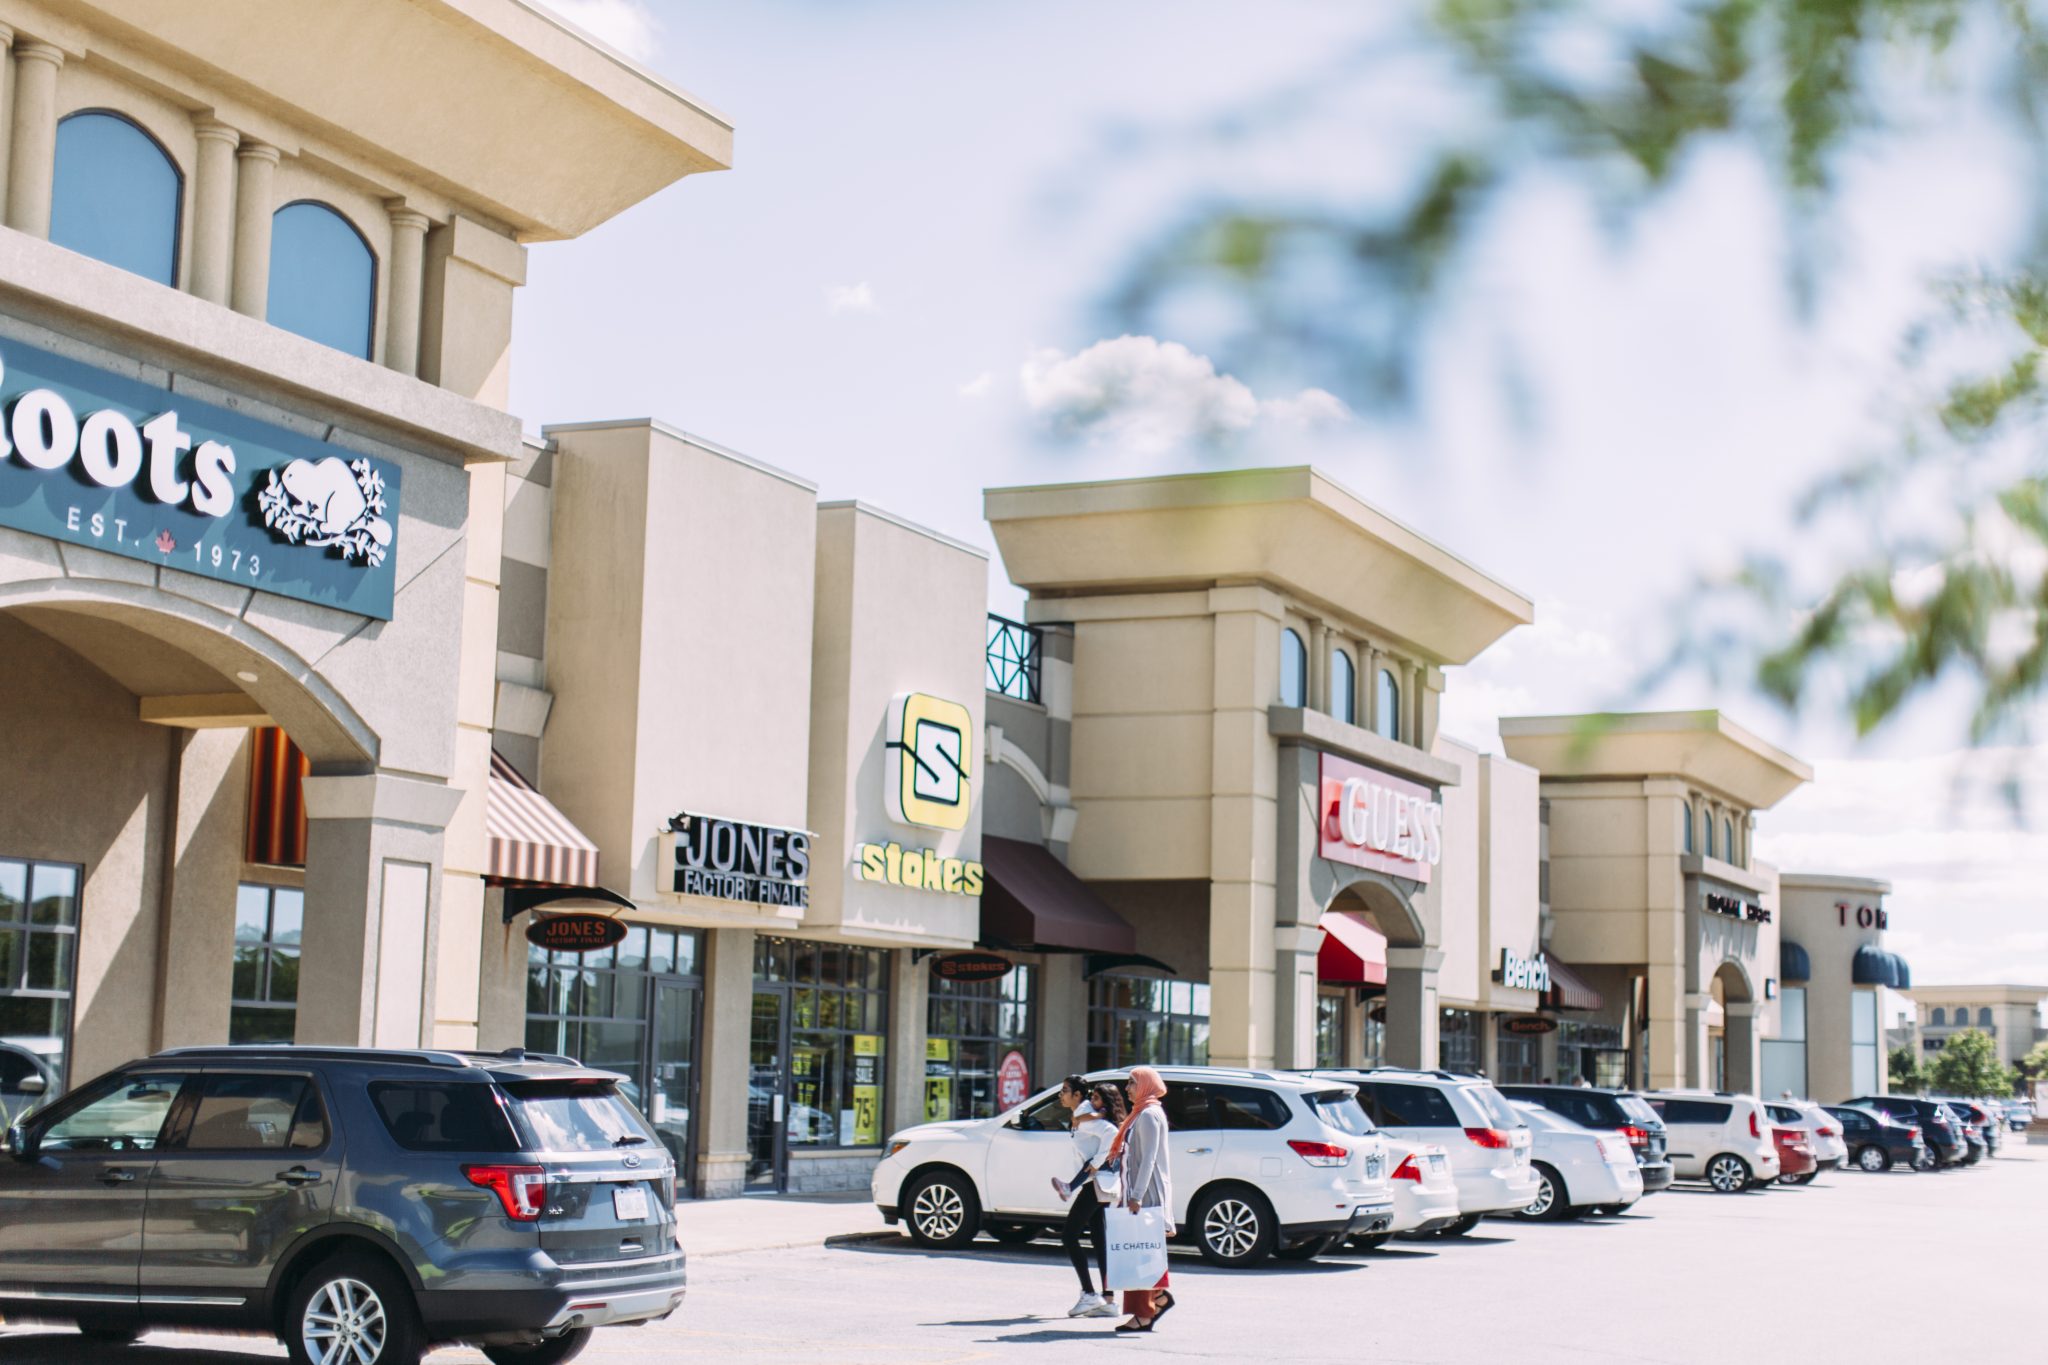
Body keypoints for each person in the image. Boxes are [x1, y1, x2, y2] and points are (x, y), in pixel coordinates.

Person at [1106, 1065, 1175, 1334]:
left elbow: (1148, 1159)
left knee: (1141, 1254)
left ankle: (1144, 1313)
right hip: (1138, 1192)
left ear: (1145, 1085)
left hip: (1145, 1195)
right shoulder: (1142, 1113)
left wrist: (1135, 1196)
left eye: (1132, 1083)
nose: (1127, 1088)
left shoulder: (1148, 1115)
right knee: (1142, 1253)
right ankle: (1157, 1298)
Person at [1052, 1080, 1122, 1318]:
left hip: (1096, 1183)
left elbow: (1112, 1133)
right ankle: (1109, 1300)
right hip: (1100, 1184)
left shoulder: (1083, 1113)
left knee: (1069, 1235)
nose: (1061, 1095)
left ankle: (1090, 1294)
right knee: (1099, 1240)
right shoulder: (1083, 1116)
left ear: (1077, 1094)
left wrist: (1094, 1164)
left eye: (1064, 1091)